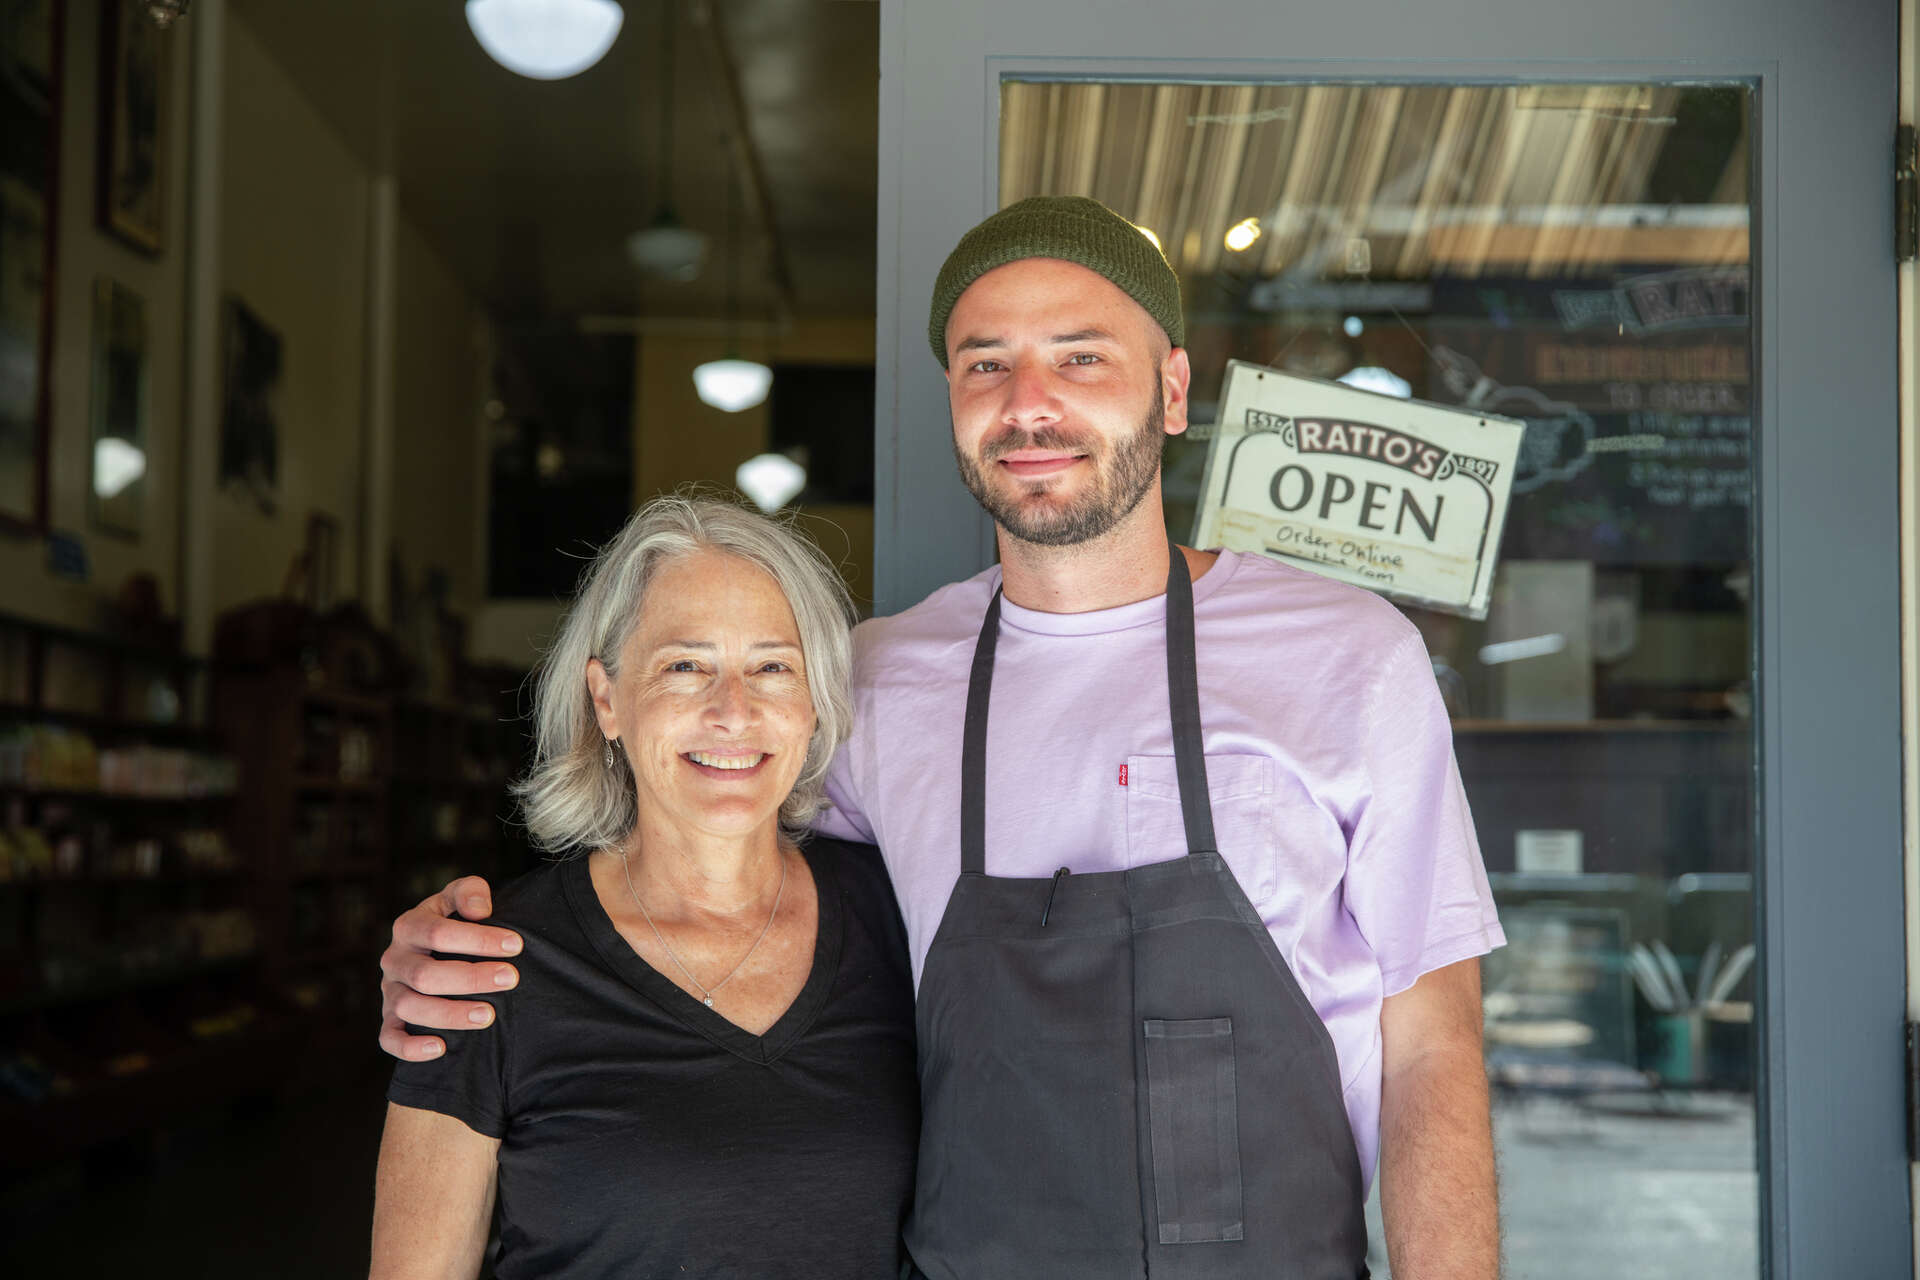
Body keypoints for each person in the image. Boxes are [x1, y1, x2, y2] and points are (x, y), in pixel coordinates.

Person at [380, 196, 1503, 1279]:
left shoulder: (1350, 654)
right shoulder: (876, 677)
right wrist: (462, 959)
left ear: (1170, 390)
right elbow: (698, 845)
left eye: (1079, 356)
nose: (1029, 401)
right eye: (985, 363)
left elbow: (1435, 1047)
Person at [369, 496, 918, 1280]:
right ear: (607, 699)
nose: (734, 711)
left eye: (771, 666)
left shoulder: (897, 916)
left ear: (813, 703)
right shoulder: (486, 968)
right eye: (685, 666)